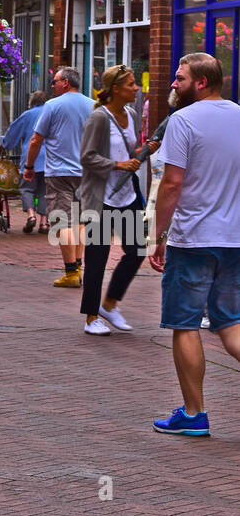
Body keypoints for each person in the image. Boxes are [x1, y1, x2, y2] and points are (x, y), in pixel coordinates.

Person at [151, 53, 240, 436]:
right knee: (232, 322)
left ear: (201, 82)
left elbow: (172, 183)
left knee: (184, 324)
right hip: (235, 238)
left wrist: (159, 235)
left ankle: (193, 414)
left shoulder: (182, 120)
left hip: (193, 239)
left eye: (180, 78)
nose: (173, 84)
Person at [77, 64, 156, 336]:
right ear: (115, 89)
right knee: (97, 257)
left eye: (135, 83)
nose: (136, 88)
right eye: (131, 84)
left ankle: (109, 303)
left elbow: (129, 148)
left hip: (127, 194)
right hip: (102, 198)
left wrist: (144, 150)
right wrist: (118, 165)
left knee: (137, 250)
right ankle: (90, 318)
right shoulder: (99, 118)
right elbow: (86, 157)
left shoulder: (131, 114)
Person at [23, 66, 94, 287]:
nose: (52, 85)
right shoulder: (93, 105)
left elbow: (36, 140)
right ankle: (79, 265)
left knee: (63, 221)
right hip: (86, 172)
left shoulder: (52, 106)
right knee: (81, 220)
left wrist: (29, 166)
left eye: (54, 81)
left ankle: (71, 272)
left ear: (66, 82)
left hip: (59, 173)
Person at [3, 90, 48, 233]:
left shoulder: (27, 115)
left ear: (32, 102)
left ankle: (31, 215)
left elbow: (12, 134)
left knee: (26, 188)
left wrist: (4, 144)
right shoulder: (50, 113)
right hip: (50, 158)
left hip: (31, 157)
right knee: (45, 191)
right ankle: (44, 222)